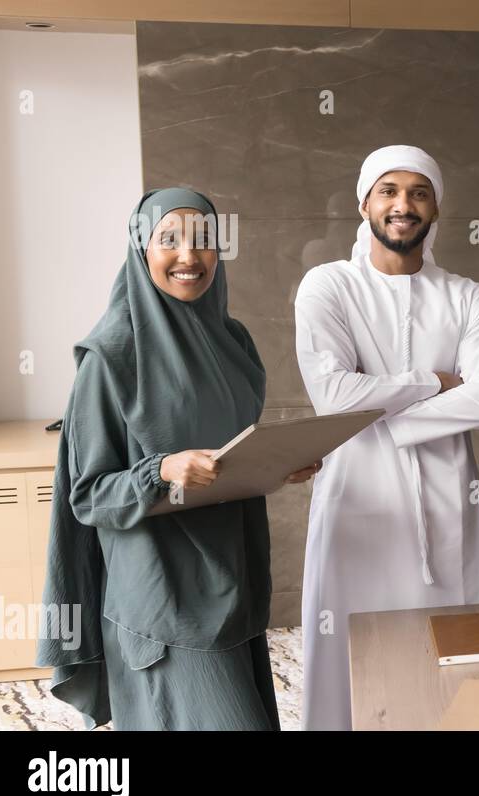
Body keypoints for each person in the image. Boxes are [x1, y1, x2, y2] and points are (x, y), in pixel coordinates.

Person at [38, 187, 317, 730]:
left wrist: (276, 463)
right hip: (160, 598)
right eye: (169, 239)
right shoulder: (112, 355)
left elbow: (225, 460)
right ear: (141, 249)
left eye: (205, 240)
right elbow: (88, 494)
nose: (189, 256)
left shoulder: (232, 343)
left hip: (231, 579)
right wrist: (160, 470)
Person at [294, 145, 479, 730]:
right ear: (363, 203)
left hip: (450, 509)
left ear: (436, 209)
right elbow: (333, 396)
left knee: (458, 671)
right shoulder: (327, 286)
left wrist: (384, 419)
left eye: (419, 193)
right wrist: (434, 384)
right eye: (388, 191)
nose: (403, 205)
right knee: (349, 666)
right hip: (357, 507)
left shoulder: (466, 296)